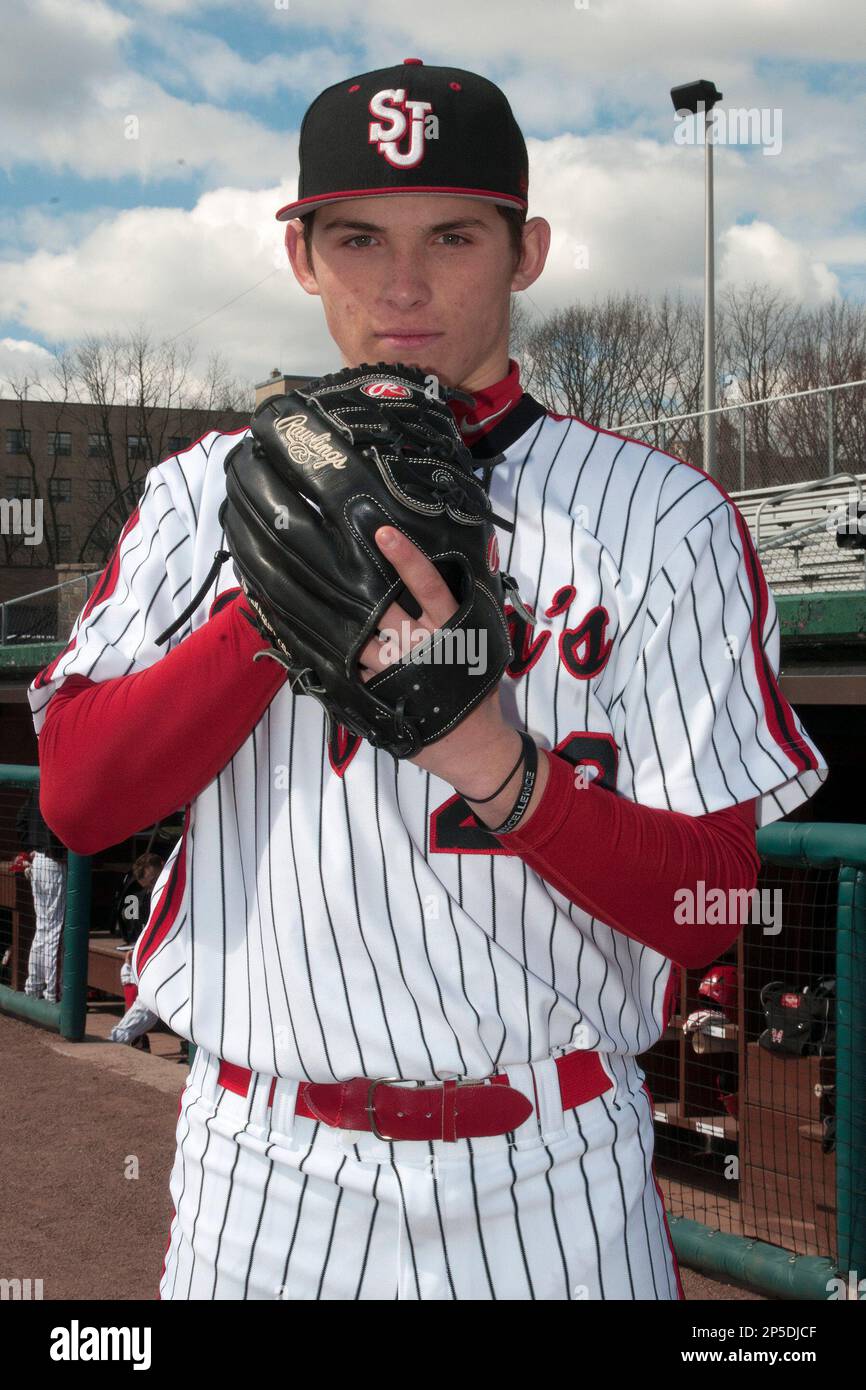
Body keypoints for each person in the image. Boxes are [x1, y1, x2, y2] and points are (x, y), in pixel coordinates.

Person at [30, 60, 828, 1301]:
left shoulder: (663, 516)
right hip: (266, 1165)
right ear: (301, 253)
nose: (402, 285)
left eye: (452, 235)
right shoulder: (203, 493)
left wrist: (504, 776)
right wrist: (275, 613)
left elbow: (714, 906)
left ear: (527, 249)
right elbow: (80, 801)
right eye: (357, 237)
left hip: (552, 1166)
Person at [15, 785, 67, 1004]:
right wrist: (57, 851)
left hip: (37, 860)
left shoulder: (38, 785)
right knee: (53, 930)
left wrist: (31, 847)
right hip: (53, 863)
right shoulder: (58, 785)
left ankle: (33, 986)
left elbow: (21, 821)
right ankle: (52, 993)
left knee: (43, 927)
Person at [111, 852, 165, 1053]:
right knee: (128, 969)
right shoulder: (149, 897)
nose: (151, 888)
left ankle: (118, 1039)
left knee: (148, 995)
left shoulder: (178, 886)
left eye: (153, 881)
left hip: (178, 964)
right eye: (148, 886)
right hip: (158, 956)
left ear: (163, 864)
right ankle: (135, 1039)